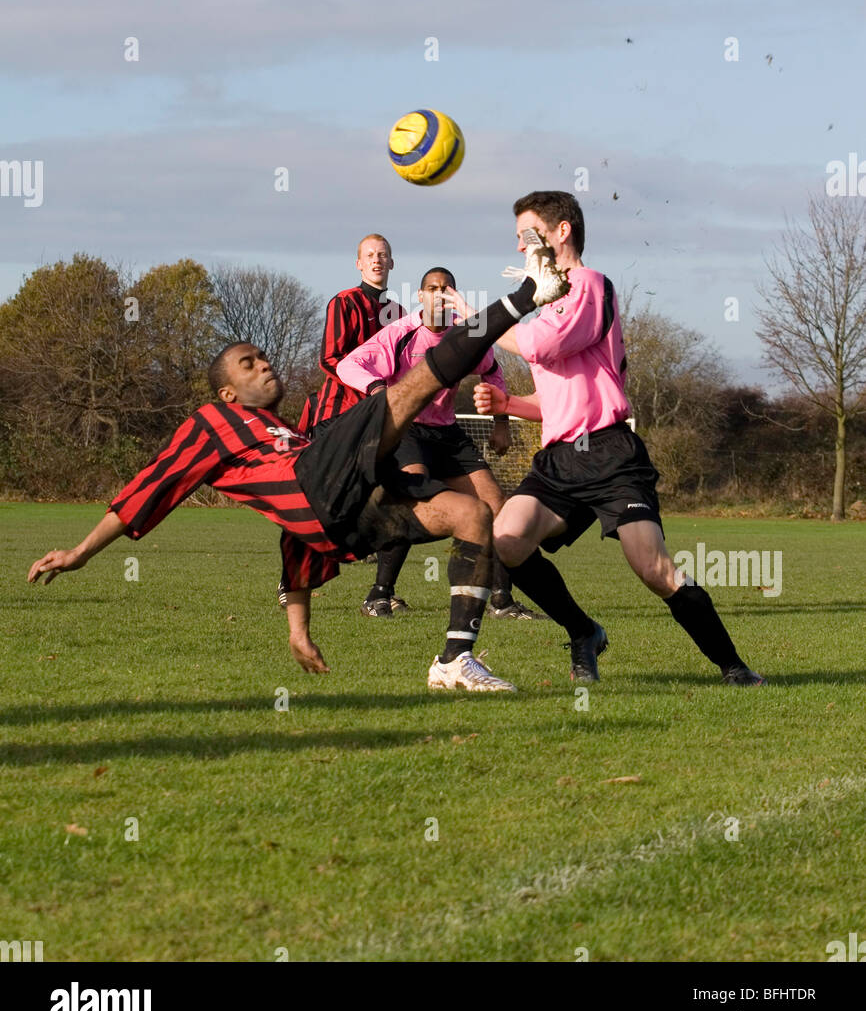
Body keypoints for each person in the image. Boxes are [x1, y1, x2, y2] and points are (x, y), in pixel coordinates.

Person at [28, 237, 570, 692]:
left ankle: (455, 661)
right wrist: (79, 552)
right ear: (226, 393)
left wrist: (298, 630)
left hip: (342, 510)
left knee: (471, 513)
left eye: (263, 359)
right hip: (326, 482)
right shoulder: (214, 423)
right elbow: (153, 487)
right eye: (249, 365)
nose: (263, 366)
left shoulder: (284, 433)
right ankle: (528, 293)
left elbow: (296, 530)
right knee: (409, 390)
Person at [473, 190, 764, 687]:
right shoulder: (547, 305)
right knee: (507, 538)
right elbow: (561, 403)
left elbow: (539, 345)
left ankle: (734, 667)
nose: (521, 246)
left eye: (528, 233)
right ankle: (584, 632)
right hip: (560, 459)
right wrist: (509, 406)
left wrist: (484, 319)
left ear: (561, 231)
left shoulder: (589, 284)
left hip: (610, 454)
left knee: (654, 570)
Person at [336, 265, 542, 620]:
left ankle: (502, 601)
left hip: (447, 432)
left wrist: (501, 423)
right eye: (432, 288)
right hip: (409, 430)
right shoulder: (400, 332)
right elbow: (349, 364)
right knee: (413, 497)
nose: (439, 294)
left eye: (446, 288)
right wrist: (377, 389)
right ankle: (379, 593)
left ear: (454, 296)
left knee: (495, 505)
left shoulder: (465, 335)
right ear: (420, 296)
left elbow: (492, 369)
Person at [298, 233, 412, 617]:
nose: (377, 260)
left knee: (396, 496)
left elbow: (402, 366)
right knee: (323, 504)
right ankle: (291, 580)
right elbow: (331, 359)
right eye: (369, 255)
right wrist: (371, 389)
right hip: (341, 415)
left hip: (382, 420)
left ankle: (381, 593)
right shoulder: (344, 302)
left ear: (392, 263)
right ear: (359, 263)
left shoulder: (398, 312)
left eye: (383, 255)